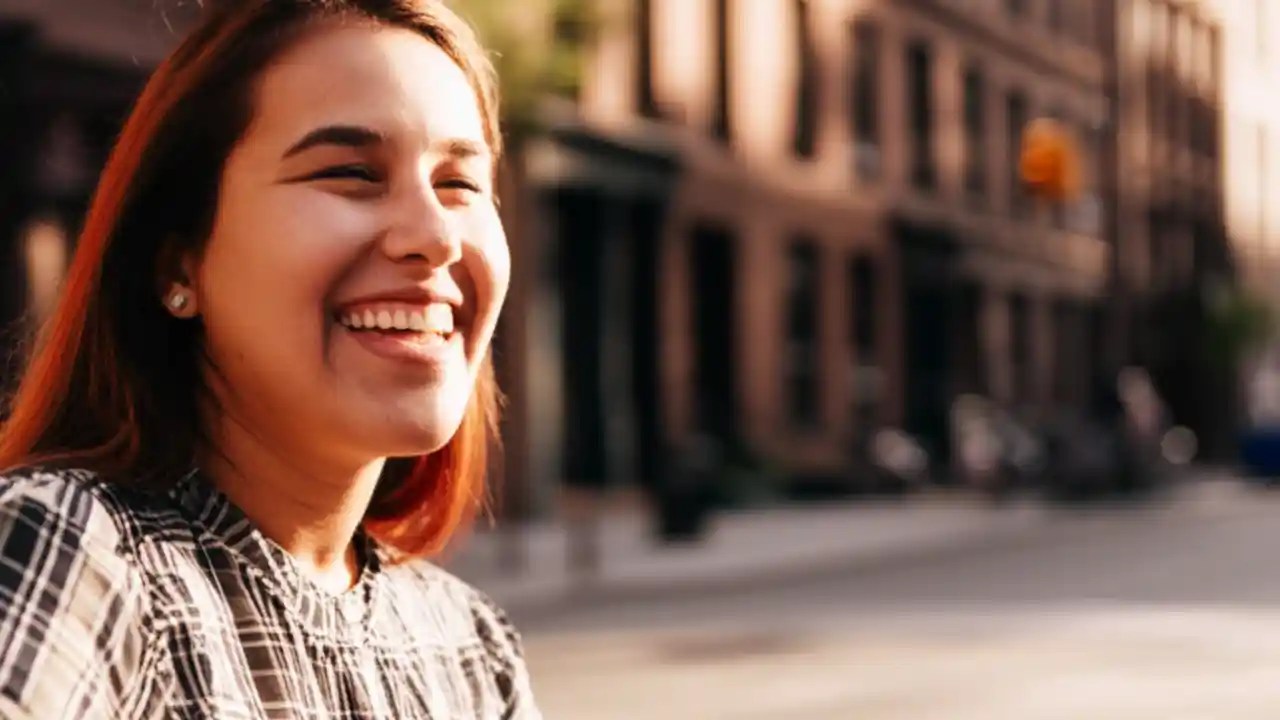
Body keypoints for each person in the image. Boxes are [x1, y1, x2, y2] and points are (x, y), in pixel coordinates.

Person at [0, 1, 540, 717]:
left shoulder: (474, 651)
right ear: (178, 266)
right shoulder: (81, 554)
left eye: (459, 184)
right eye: (350, 171)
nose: (435, 235)